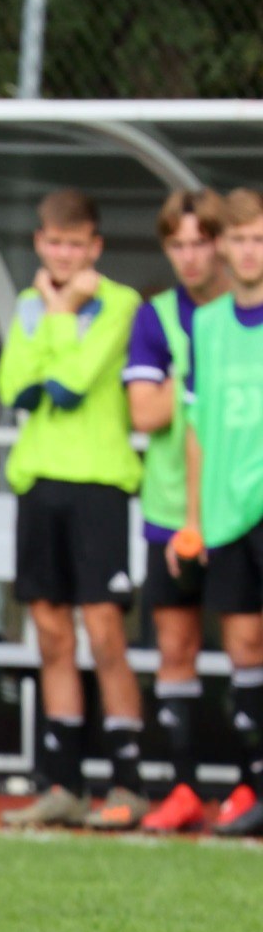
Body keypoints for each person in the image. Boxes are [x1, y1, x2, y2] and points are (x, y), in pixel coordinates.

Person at [0, 189, 146, 831]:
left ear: (95, 247)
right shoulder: (29, 305)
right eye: (53, 243)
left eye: (75, 244)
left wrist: (63, 311)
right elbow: (16, 388)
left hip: (99, 485)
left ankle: (129, 784)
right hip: (39, 484)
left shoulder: (120, 303)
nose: (63, 254)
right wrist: (55, 313)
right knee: (51, 633)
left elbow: (68, 382)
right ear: (39, 245)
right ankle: (62, 785)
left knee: (105, 632)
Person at [126, 189, 226, 832]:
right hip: (171, 510)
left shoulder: (250, 313)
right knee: (177, 646)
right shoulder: (157, 318)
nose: (190, 257)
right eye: (178, 245)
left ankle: (248, 786)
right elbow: (147, 413)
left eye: (201, 243)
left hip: (242, 505)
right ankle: (186, 786)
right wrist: (197, 372)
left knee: (250, 644)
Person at [181, 187, 263, 837]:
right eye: (239, 238)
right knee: (242, 645)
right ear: (222, 247)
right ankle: (252, 783)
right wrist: (195, 515)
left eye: (259, 238)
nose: (248, 249)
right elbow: (196, 426)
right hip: (228, 509)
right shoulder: (205, 324)